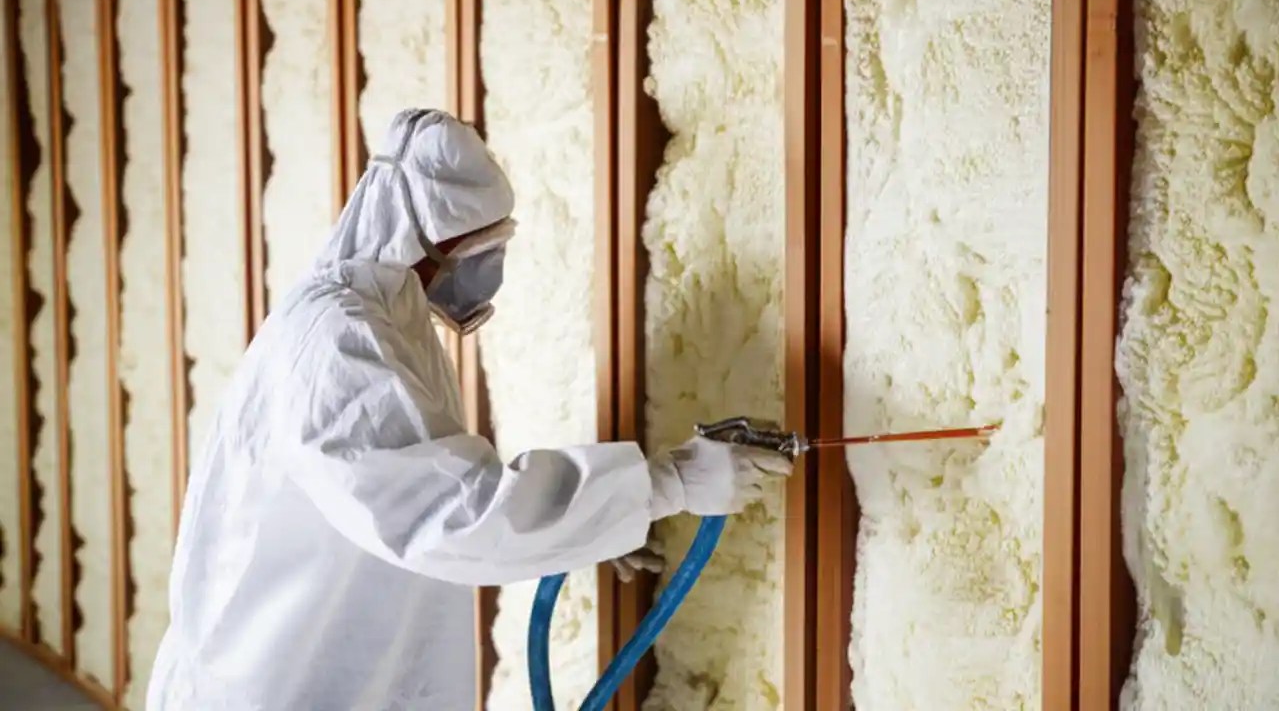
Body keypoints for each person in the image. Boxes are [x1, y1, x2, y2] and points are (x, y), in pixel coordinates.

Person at [146, 109, 793, 710]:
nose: (485, 272)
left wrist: (596, 520)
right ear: (414, 236)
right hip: (274, 683)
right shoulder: (339, 343)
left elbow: (447, 484)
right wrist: (661, 486)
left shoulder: (391, 324)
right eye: (471, 251)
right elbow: (453, 516)